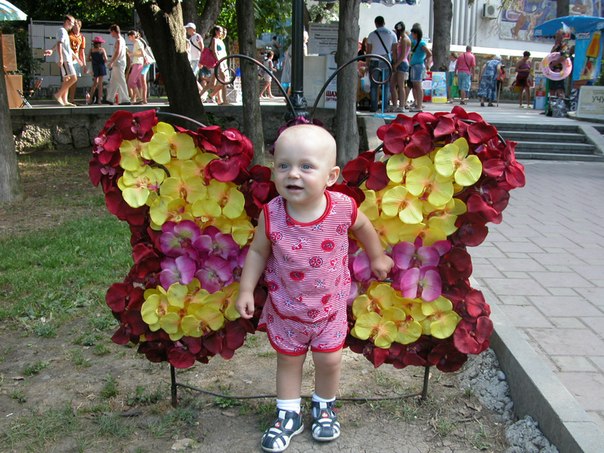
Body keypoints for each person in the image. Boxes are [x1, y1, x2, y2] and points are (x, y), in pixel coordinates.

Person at [235, 124, 393, 453]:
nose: (293, 174)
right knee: (288, 362)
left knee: (329, 361)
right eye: (283, 165)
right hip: (287, 310)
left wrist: (377, 256)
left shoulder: (343, 208)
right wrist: (246, 289)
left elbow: (364, 227)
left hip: (329, 309)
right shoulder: (272, 214)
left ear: (331, 176)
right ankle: (288, 414)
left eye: (306, 166)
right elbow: (258, 252)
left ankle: (324, 407)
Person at [366, 16, 397, 112]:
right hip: (386, 61)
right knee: (386, 85)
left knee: (374, 85)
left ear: (375, 23)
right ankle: (385, 107)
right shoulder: (392, 34)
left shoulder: (372, 35)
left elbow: (368, 51)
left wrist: (367, 63)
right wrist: (394, 63)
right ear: (384, 22)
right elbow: (394, 51)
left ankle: (374, 107)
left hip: (374, 60)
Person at [200, 25, 229, 104]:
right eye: (220, 31)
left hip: (223, 62)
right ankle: (224, 101)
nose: (222, 33)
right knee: (224, 80)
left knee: (212, 84)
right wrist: (219, 61)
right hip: (219, 63)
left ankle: (199, 97)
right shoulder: (214, 40)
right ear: (216, 31)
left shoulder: (220, 40)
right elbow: (214, 51)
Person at [53, 15, 77, 106]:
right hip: (65, 59)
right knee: (73, 78)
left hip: (67, 59)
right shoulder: (62, 31)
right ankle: (58, 95)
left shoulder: (64, 32)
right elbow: (59, 44)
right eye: (72, 23)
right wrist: (61, 58)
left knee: (66, 79)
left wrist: (77, 58)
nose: (73, 25)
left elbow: (64, 46)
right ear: (67, 21)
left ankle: (65, 100)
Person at [408, 24, 432, 113]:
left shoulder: (421, 43)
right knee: (415, 85)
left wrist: (423, 59)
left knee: (418, 86)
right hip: (414, 65)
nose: (411, 35)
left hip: (418, 66)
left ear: (416, 34)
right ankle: (417, 103)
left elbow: (429, 53)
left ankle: (419, 105)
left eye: (413, 34)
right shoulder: (415, 42)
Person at [389, 21, 411, 112]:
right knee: (392, 84)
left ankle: (401, 105)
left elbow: (403, 55)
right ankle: (395, 104)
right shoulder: (403, 39)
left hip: (401, 63)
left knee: (400, 85)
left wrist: (396, 64)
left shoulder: (405, 40)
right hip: (400, 62)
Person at [107, 24, 130, 105]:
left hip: (118, 63)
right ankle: (110, 98)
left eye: (111, 32)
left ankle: (125, 99)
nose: (111, 34)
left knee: (121, 80)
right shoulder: (122, 39)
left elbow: (117, 52)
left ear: (114, 31)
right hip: (119, 63)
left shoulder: (119, 40)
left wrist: (111, 61)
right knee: (114, 81)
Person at [68, 19, 86, 104]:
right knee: (68, 79)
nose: (75, 27)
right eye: (73, 26)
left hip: (76, 60)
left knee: (74, 80)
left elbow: (82, 52)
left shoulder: (82, 37)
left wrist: (84, 64)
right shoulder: (69, 35)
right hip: (68, 59)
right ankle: (64, 98)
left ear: (79, 26)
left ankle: (71, 99)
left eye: (76, 26)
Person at [185, 22, 204, 94]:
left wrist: (201, 61)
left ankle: (203, 92)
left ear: (192, 29)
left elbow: (202, 48)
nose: (187, 30)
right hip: (192, 60)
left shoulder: (197, 36)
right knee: (191, 77)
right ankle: (201, 92)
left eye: (188, 28)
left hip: (197, 60)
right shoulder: (190, 39)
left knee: (192, 76)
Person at [87, 36, 108, 104]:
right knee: (100, 83)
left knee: (95, 83)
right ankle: (99, 99)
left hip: (95, 66)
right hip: (101, 66)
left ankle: (91, 99)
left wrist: (93, 60)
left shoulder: (91, 50)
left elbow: (88, 59)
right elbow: (106, 59)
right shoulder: (102, 50)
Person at [126, 31, 145, 104]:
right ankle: (139, 98)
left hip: (138, 63)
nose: (129, 38)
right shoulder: (137, 43)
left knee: (131, 82)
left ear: (133, 36)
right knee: (138, 82)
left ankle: (139, 98)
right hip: (137, 63)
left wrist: (132, 54)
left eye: (129, 37)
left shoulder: (137, 42)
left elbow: (142, 53)